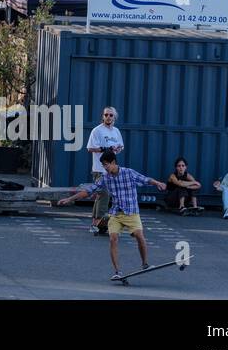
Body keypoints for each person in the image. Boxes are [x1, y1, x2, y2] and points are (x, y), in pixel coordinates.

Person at [58, 151, 167, 280]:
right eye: (103, 165)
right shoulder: (105, 178)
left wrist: (158, 183)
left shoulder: (128, 173)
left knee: (139, 236)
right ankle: (117, 271)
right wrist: (69, 199)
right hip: (115, 213)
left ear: (114, 162)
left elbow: (146, 179)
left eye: (106, 165)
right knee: (113, 238)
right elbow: (89, 191)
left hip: (132, 212)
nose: (105, 168)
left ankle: (145, 264)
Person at [85, 106, 124, 235]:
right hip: (99, 168)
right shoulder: (97, 131)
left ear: (114, 117)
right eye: (106, 115)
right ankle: (98, 223)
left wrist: (117, 148)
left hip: (111, 169)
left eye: (111, 115)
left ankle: (95, 224)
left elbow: (120, 146)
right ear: (102, 116)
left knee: (101, 195)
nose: (108, 117)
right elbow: (90, 148)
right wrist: (105, 149)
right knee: (104, 195)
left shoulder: (116, 131)